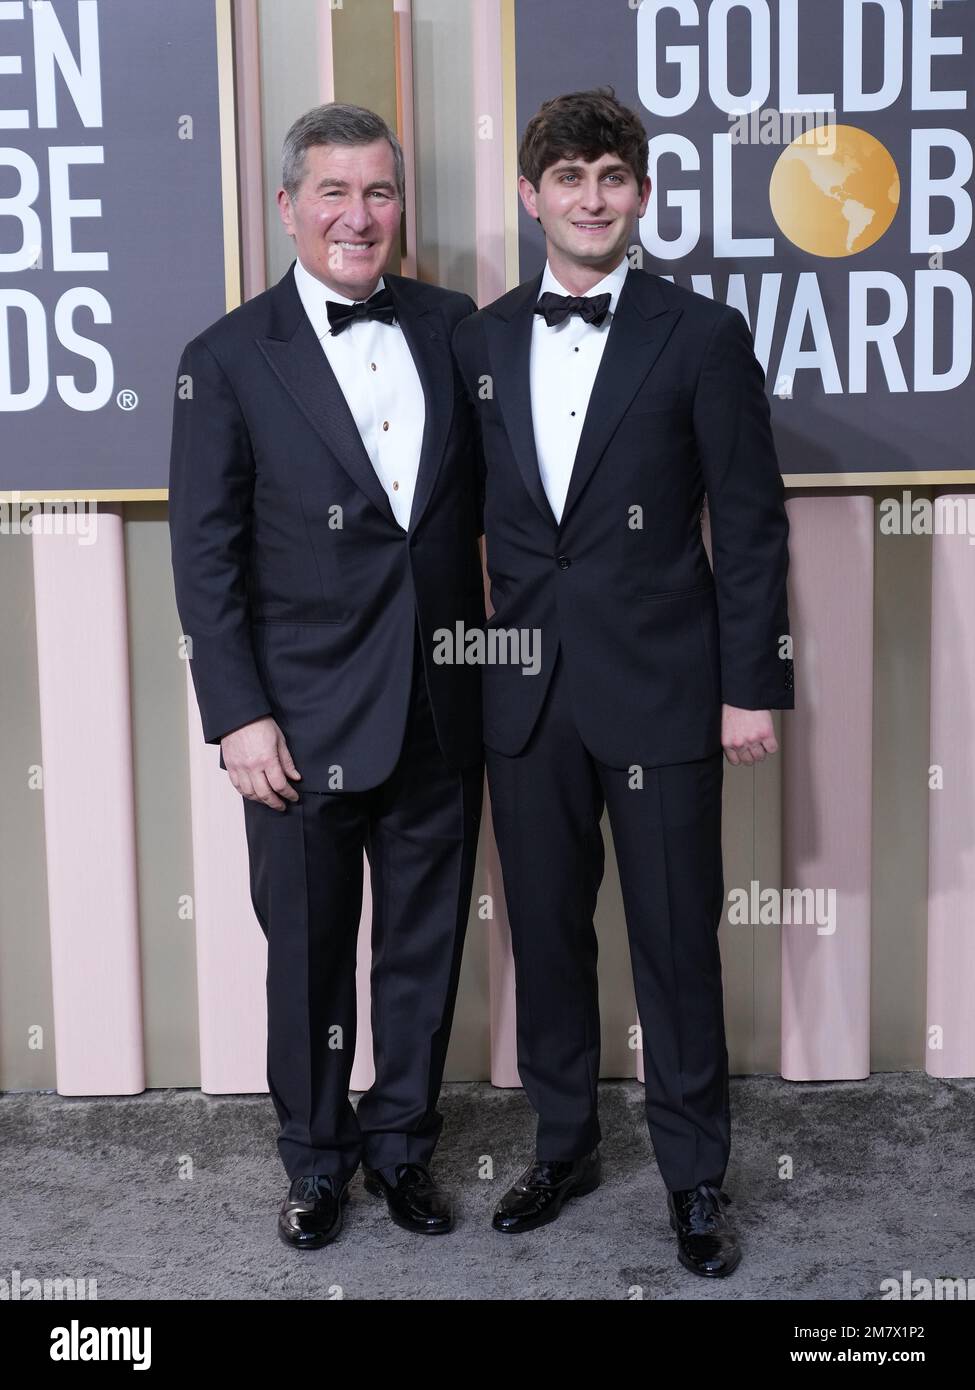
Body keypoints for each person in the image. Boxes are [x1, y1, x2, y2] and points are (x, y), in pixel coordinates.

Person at [452, 88, 794, 1277]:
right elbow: (457, 533)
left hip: (666, 690)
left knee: (674, 943)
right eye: (569, 178)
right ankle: (565, 1143)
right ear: (533, 193)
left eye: (611, 177)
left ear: (640, 194)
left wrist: (750, 686)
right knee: (545, 937)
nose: (590, 198)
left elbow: (748, 526)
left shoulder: (698, 336)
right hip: (524, 696)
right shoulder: (480, 339)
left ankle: (696, 1178)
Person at [168, 102, 484, 1249]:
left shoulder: (457, 328)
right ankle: (314, 1159)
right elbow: (204, 561)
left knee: (422, 945)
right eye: (336, 194)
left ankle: (402, 1146)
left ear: (401, 206)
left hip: (443, 703)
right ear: (290, 206)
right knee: (306, 956)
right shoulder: (227, 358)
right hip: (295, 720)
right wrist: (238, 716)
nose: (360, 217)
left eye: (381, 193)